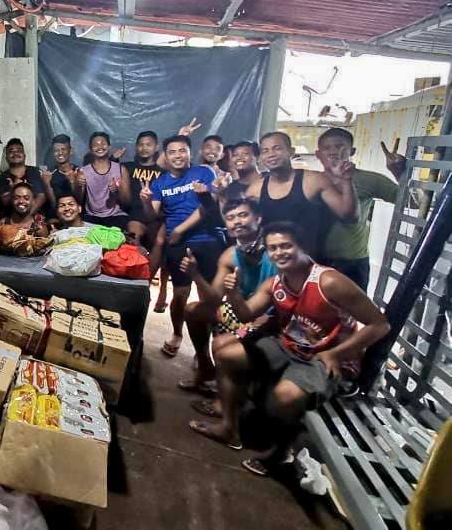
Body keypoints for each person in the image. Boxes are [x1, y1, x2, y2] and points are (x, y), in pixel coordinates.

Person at [189, 222, 389, 476]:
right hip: (288, 346)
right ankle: (229, 428)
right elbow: (246, 314)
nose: (279, 252)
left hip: (325, 358)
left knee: (284, 397)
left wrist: (335, 354)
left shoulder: (329, 281)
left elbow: (380, 325)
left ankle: (281, 452)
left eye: (286, 246)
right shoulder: (276, 283)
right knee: (227, 355)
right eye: (273, 248)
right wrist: (235, 294)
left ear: (303, 247)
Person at [177, 199, 277, 403]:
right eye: (230, 218)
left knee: (223, 345)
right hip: (241, 311)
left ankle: (224, 403)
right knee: (194, 310)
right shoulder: (231, 255)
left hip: (269, 320)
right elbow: (214, 299)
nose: (237, 221)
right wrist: (195, 274)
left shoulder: (276, 250)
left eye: (243, 215)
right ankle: (205, 369)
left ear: (258, 219)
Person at [141, 134, 222, 358]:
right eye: (172, 152)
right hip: (178, 245)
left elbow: (209, 206)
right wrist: (146, 200)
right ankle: (177, 333)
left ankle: (206, 344)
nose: (178, 155)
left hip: (206, 240)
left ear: (190, 153)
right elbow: (151, 215)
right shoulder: (160, 183)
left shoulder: (204, 172)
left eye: (182, 150)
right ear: (165, 157)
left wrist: (180, 229)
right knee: (180, 295)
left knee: (209, 297)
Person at [244, 131, 357, 259]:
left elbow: (348, 215)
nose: (271, 154)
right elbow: (245, 226)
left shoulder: (314, 180)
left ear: (291, 151)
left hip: (310, 262)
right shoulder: (254, 190)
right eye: (265, 151)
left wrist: (346, 180)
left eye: (277, 148)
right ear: (260, 157)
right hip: (272, 263)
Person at [315, 128, 399, 291]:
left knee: (353, 313)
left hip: (352, 261)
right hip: (315, 259)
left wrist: (399, 173)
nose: (333, 152)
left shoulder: (370, 180)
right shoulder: (310, 181)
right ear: (318, 154)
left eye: (339, 146)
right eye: (327, 148)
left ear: (352, 151)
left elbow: (413, 203)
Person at [75, 132, 131, 229]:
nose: (99, 146)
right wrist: (78, 185)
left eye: (103, 143)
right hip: (92, 217)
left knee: (120, 240)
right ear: (91, 149)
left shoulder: (121, 169)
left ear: (109, 146)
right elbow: (79, 200)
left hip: (116, 216)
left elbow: (127, 202)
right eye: (95, 145)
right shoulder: (83, 171)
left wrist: (118, 189)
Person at [123, 131, 162, 246]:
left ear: (156, 147)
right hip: (134, 214)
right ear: (136, 147)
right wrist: (114, 158)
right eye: (140, 144)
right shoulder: (127, 167)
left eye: (148, 144)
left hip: (155, 214)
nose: (144, 148)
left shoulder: (163, 171)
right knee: (133, 240)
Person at [0, 138, 46, 212]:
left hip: (34, 219)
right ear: (6, 158)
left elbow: (41, 196)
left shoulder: (35, 172)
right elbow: (4, 202)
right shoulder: (1, 178)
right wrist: (13, 190)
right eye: (11, 151)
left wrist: (28, 216)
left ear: (24, 156)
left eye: (19, 150)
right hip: (12, 221)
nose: (15, 153)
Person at [42, 134, 79, 212]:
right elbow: (54, 206)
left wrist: (73, 182)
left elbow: (79, 204)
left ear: (70, 151)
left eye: (63, 149)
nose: (60, 153)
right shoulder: (49, 174)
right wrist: (47, 184)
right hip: (57, 217)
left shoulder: (78, 172)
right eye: (56, 150)